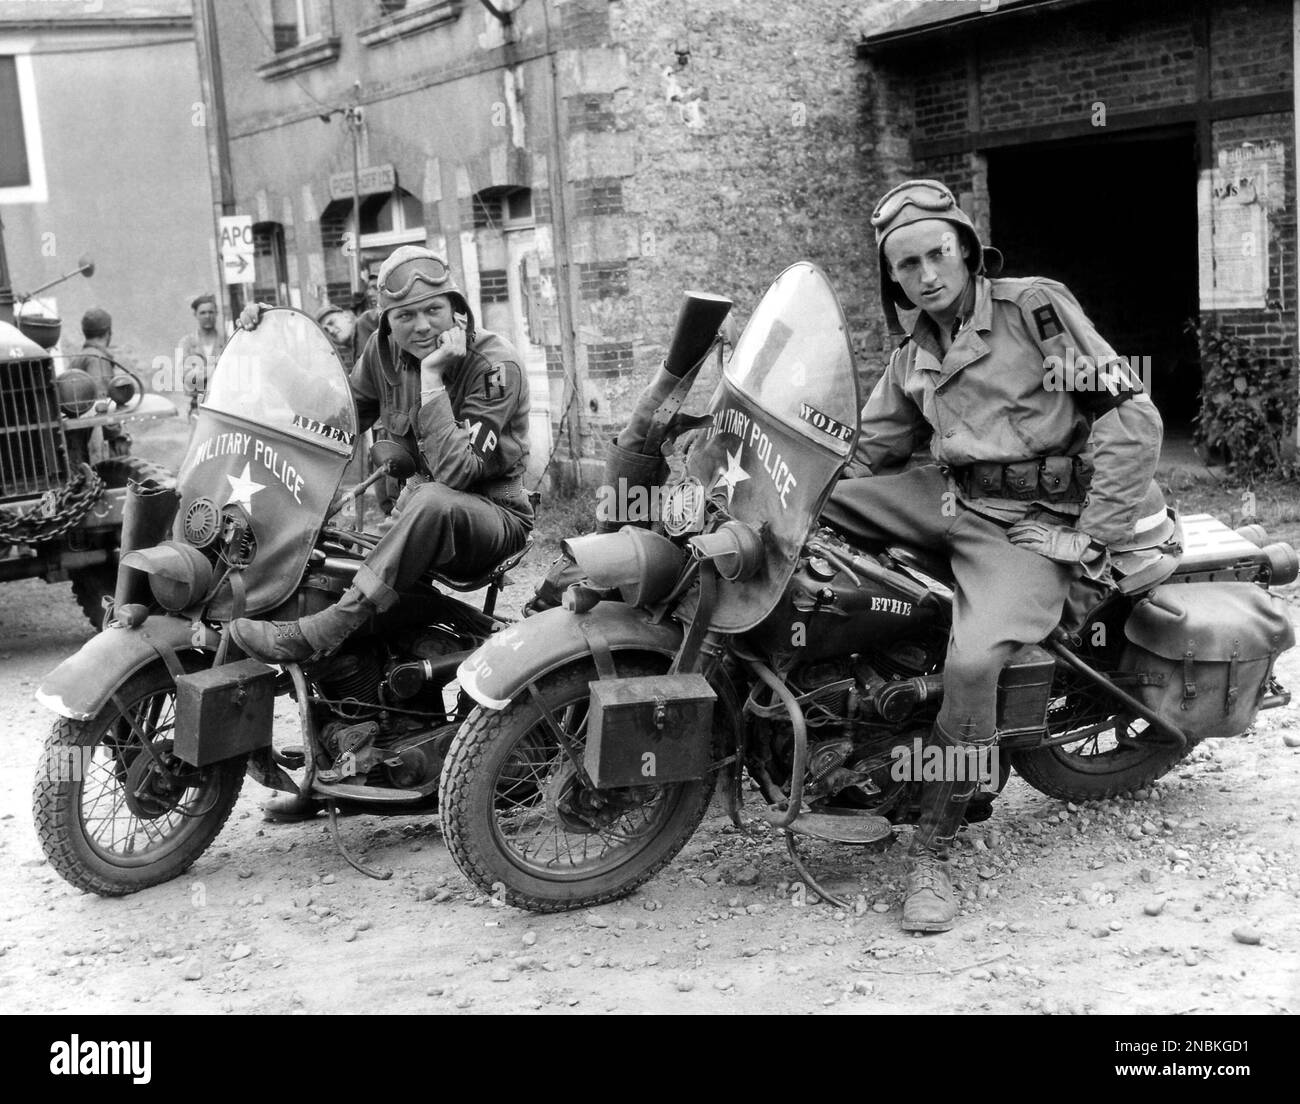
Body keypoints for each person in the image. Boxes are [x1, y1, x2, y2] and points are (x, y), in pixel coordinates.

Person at [821, 180, 1163, 933]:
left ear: (967, 252)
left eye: (937, 255)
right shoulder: (913, 352)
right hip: (949, 500)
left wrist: (1090, 542)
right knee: (799, 509)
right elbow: (870, 450)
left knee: (973, 667)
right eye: (905, 266)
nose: (925, 275)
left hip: (1033, 518)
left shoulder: (1033, 311)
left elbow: (1129, 416)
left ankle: (934, 846)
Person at [230, 248, 533, 816]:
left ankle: (333, 625)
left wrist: (434, 378)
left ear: (458, 311)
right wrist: (268, 347)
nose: (421, 327)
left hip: (488, 520)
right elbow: (331, 416)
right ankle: (345, 755)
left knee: (432, 497)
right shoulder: (383, 353)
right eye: (405, 316)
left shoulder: (496, 366)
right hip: (411, 524)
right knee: (312, 574)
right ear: (386, 321)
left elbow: (458, 473)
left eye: (434, 311)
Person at [65, 307, 134, 463]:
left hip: (80, 437)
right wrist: (117, 434)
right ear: (108, 332)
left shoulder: (80, 357)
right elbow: (101, 404)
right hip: (95, 442)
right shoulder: (97, 359)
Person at [177, 293, 226, 418]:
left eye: (211, 312)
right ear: (196, 315)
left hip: (224, 405)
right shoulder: (187, 343)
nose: (207, 316)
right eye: (203, 313)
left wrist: (201, 372)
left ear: (216, 313)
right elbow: (187, 378)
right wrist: (216, 368)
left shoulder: (227, 341)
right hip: (197, 407)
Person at [315, 302, 359, 369]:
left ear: (346, 316)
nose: (331, 331)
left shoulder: (365, 323)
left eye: (331, 322)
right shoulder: (355, 352)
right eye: (325, 331)